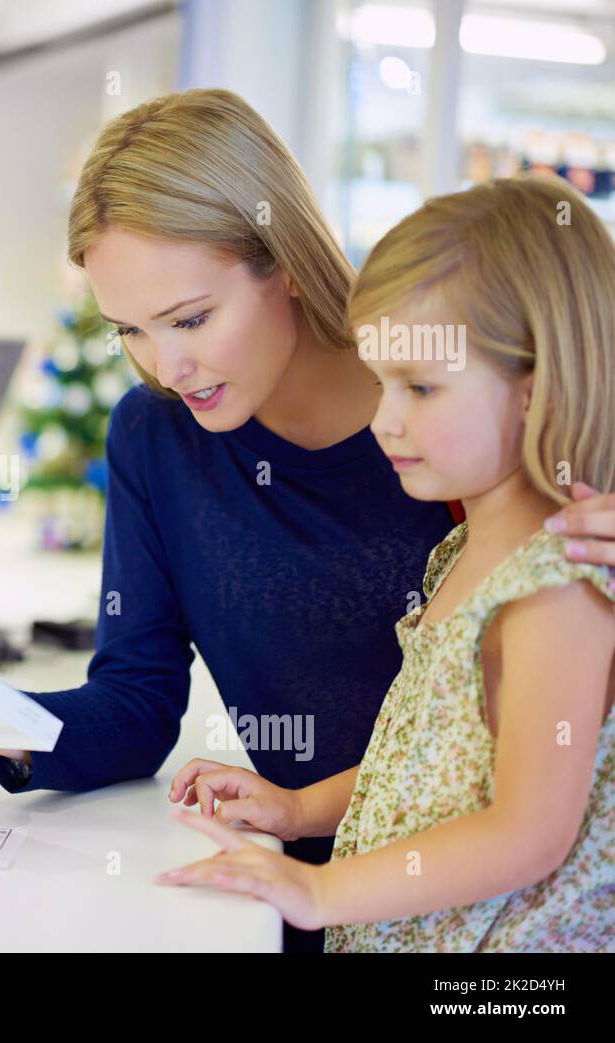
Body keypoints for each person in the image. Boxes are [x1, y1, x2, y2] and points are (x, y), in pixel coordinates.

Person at [0, 89, 615, 952]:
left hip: (469, 923)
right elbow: (138, 696)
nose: (167, 365)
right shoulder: (156, 436)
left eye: (191, 319)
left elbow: (543, 784)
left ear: (283, 258)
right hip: (292, 890)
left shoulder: (465, 421)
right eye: (131, 332)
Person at [162, 175, 615, 952]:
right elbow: (429, 768)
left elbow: (528, 832)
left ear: (536, 391)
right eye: (382, 383)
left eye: (421, 388)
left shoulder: (555, 587)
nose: (385, 420)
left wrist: (318, 886)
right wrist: (300, 809)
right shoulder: (466, 550)